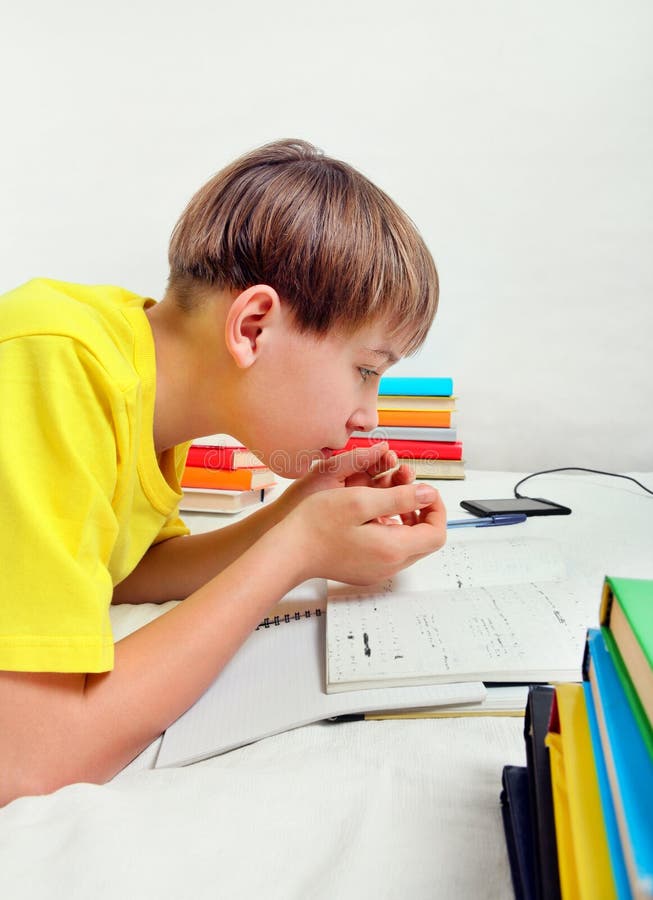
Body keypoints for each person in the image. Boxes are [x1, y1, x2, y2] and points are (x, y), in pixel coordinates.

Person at [0, 139, 445, 805]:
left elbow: (124, 572)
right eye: (365, 369)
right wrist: (295, 551)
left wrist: (295, 514)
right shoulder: (55, 366)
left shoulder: (146, 385)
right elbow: (30, 761)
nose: (368, 415)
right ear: (253, 326)